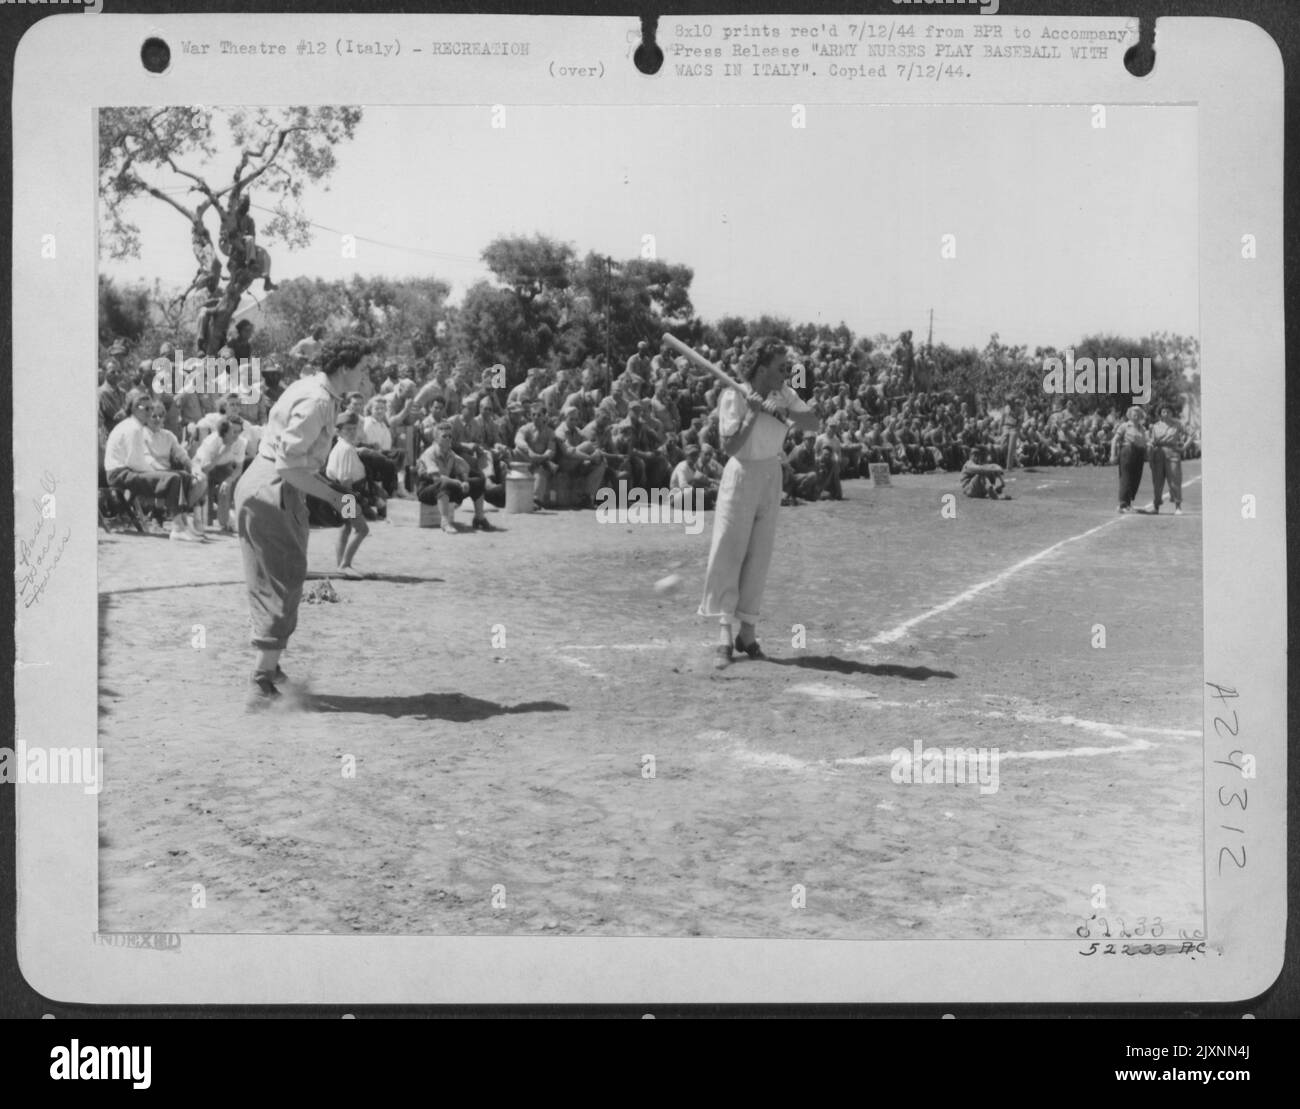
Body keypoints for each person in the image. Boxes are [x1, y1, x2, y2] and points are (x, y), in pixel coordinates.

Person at [233, 336, 368, 705]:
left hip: (269, 485)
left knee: (277, 577)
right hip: (274, 488)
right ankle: (261, 681)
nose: (364, 376)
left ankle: (270, 669)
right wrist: (335, 497)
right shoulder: (317, 400)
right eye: (361, 368)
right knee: (283, 578)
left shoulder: (313, 388)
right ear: (344, 368)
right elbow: (289, 466)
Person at [699, 338, 818, 669]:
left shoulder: (785, 393)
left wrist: (783, 411)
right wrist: (753, 413)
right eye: (781, 367)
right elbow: (729, 446)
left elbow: (813, 423)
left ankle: (747, 632)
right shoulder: (734, 394)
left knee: (759, 554)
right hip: (742, 474)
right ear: (763, 368)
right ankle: (724, 630)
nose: (787, 372)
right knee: (730, 550)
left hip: (770, 473)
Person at [103, 395, 204, 542]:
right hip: (119, 474)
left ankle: (183, 523)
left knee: (183, 475)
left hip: (128, 470)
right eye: (147, 408)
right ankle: (177, 528)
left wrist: (163, 473)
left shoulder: (136, 426)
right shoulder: (133, 428)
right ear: (133, 408)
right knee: (173, 478)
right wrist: (161, 474)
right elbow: (135, 462)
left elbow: (137, 463)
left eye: (151, 408)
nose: (150, 412)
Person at [417, 420, 490, 532]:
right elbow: (437, 478)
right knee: (443, 483)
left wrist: (464, 481)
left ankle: (479, 517)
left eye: (450, 436)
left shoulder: (451, 454)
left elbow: (463, 469)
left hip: (445, 488)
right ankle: (445, 522)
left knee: (478, 481)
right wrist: (457, 482)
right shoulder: (429, 453)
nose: (448, 439)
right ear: (436, 438)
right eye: (444, 436)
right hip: (427, 490)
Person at [326, 412, 371, 577]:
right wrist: (353, 499)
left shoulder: (344, 446)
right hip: (345, 493)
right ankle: (345, 564)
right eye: (347, 429)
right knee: (362, 529)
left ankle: (341, 564)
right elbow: (345, 479)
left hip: (341, 493)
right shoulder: (345, 449)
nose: (352, 432)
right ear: (339, 431)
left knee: (346, 528)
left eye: (354, 428)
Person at [1145, 404, 1188, 515]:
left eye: (1168, 412)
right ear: (1160, 414)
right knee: (1157, 482)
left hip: (1173, 453)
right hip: (1158, 453)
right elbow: (1151, 441)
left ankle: (1178, 506)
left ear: (1172, 413)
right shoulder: (1155, 426)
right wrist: (1149, 453)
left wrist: (1183, 447)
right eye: (1164, 412)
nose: (1166, 414)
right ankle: (1156, 506)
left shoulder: (1177, 425)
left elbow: (1192, 434)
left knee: (1175, 481)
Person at [1110, 405, 1149, 513]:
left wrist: (1146, 454)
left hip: (1139, 453)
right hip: (1128, 451)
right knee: (1126, 477)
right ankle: (1122, 504)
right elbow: (1115, 440)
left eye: (1138, 412)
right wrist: (1113, 455)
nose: (1136, 414)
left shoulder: (1142, 428)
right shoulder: (1124, 426)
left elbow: (1145, 443)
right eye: (1133, 412)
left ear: (1141, 415)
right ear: (1130, 415)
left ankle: (1128, 503)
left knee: (1136, 479)